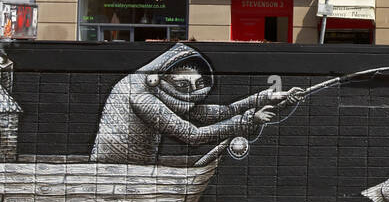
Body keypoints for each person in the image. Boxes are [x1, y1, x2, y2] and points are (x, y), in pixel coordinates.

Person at [91, 43, 304, 167]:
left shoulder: (160, 93)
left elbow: (221, 112)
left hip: (139, 170)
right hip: (115, 169)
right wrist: (248, 120)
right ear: (157, 79)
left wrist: (268, 97)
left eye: (198, 85)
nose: (192, 93)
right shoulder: (139, 95)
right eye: (183, 85)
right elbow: (193, 135)